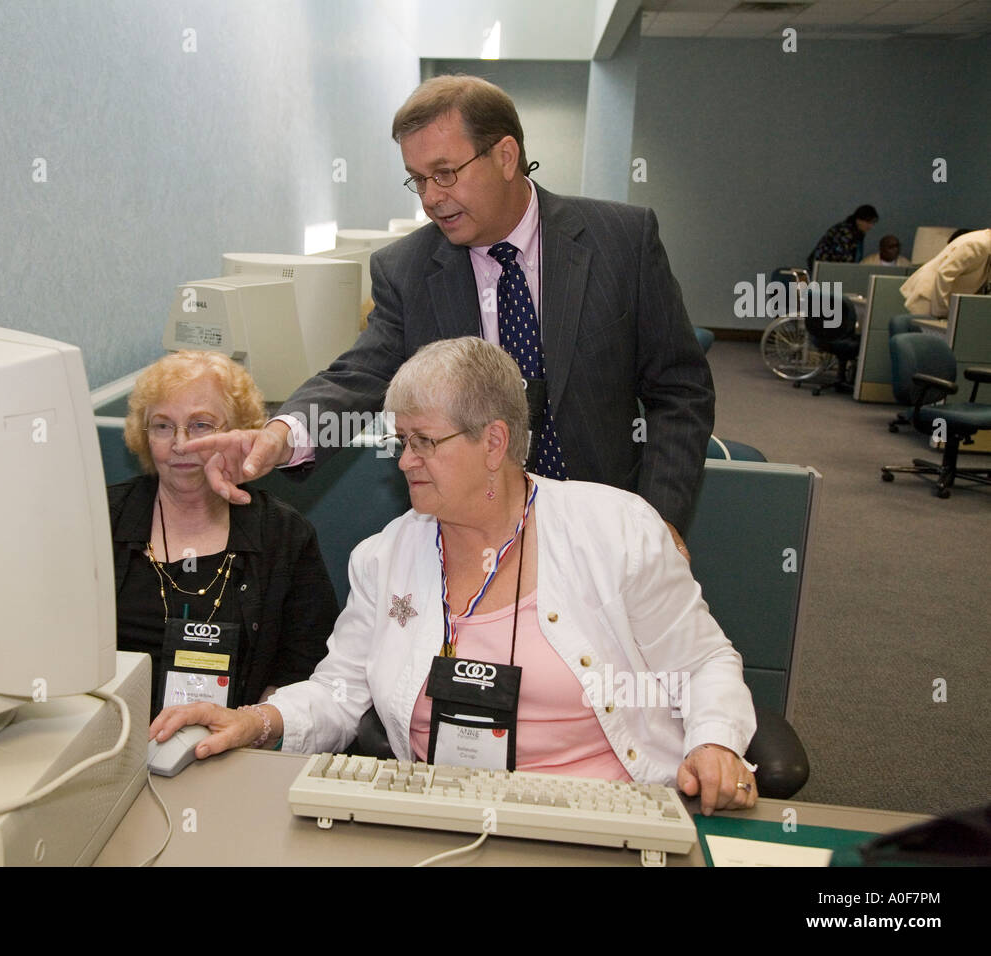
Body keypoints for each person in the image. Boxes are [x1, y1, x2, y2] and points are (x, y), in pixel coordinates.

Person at [152, 338, 759, 816]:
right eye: (400, 441)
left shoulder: (615, 530)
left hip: (603, 817)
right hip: (443, 822)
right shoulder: (386, 557)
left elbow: (704, 664)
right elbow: (340, 693)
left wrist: (715, 742)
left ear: (494, 441)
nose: (404, 460)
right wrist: (257, 721)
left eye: (424, 442)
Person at [180, 75, 712, 560]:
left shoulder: (620, 241)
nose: (432, 199)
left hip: (605, 533)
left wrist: (659, 519)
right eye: (417, 180)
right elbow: (361, 373)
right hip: (467, 536)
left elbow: (679, 392)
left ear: (506, 156)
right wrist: (281, 434)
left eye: (445, 173)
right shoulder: (406, 270)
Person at [109, 350, 338, 717]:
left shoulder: (283, 535)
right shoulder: (104, 521)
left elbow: (305, 669)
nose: (181, 444)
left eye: (201, 425)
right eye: (163, 426)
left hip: (236, 745)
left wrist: (249, 730)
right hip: (114, 736)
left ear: (239, 432)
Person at [900, 228, 991, 318]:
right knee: (928, 330)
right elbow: (945, 274)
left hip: (941, 299)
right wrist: (942, 311)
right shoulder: (978, 244)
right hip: (932, 297)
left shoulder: (984, 241)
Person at [806, 204, 878, 271]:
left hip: (826, 268)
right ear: (858, 219)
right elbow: (842, 259)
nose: (870, 226)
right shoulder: (844, 233)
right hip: (826, 268)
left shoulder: (855, 232)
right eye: (868, 222)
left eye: (872, 223)